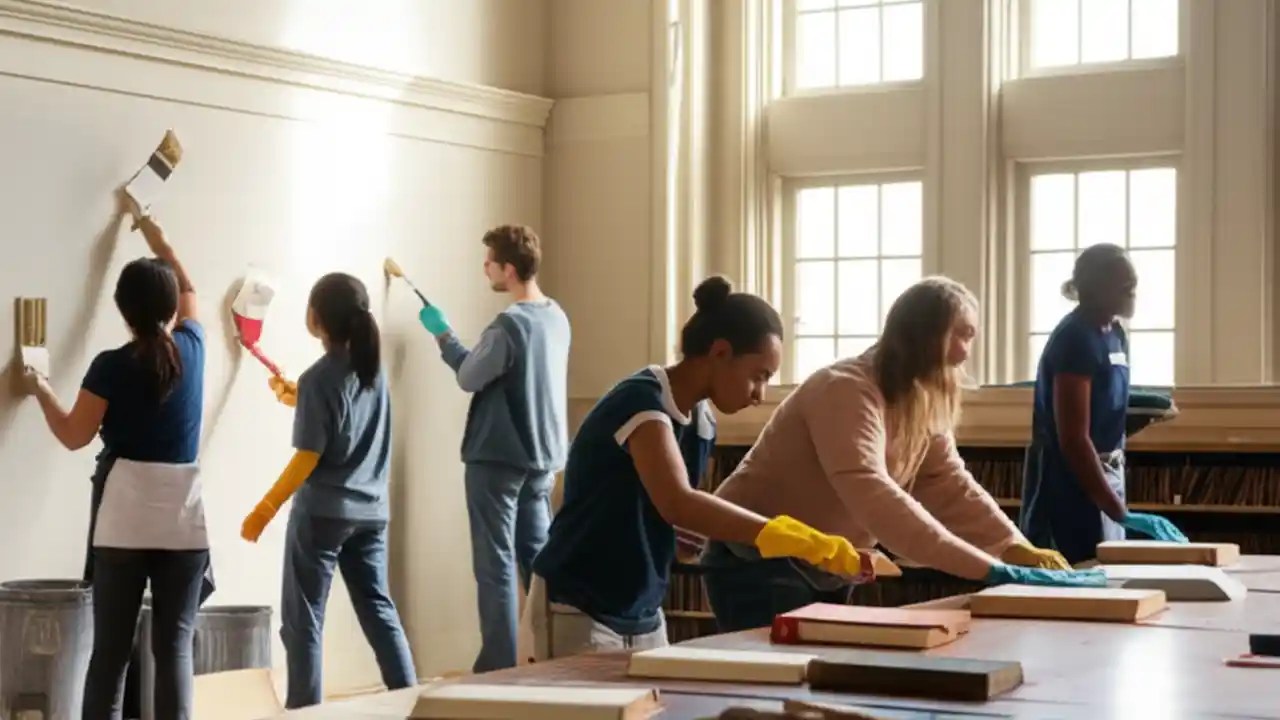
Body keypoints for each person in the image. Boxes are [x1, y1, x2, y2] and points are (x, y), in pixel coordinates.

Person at [703, 276, 1107, 632]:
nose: (965, 354)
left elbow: (949, 483)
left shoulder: (920, 398)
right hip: (756, 558)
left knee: (811, 676)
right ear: (925, 333)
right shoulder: (845, 389)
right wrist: (989, 569)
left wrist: (1013, 546)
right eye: (962, 334)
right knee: (780, 678)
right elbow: (873, 495)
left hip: (828, 562)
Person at [528, 276, 875, 659]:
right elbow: (678, 503)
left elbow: (675, 523)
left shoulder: (701, 422)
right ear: (720, 352)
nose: (760, 394)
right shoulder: (641, 403)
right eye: (758, 376)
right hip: (578, 606)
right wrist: (799, 540)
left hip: (642, 611)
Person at [23, 194, 208, 720]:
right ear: (170, 309)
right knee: (174, 649)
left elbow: (73, 435)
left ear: (123, 311)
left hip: (124, 523)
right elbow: (189, 287)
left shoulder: (111, 365)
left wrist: (40, 388)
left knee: (110, 655)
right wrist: (151, 227)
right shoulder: (193, 348)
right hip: (183, 524)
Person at [240, 273, 416, 708]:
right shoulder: (372, 370)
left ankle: (305, 712)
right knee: (378, 609)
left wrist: (265, 508)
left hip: (323, 515)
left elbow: (308, 456)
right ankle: (412, 701)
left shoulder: (320, 378)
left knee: (303, 620)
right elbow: (346, 421)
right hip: (371, 513)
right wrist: (297, 397)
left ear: (317, 318)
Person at [416, 225, 571, 672]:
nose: (484, 268)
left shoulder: (509, 325)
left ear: (508, 270)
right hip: (542, 458)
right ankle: (555, 657)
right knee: (539, 563)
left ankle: (497, 669)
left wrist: (443, 335)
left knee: (495, 565)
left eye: (489, 262)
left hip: (498, 459)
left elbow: (469, 376)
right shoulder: (557, 317)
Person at [1020, 244, 1187, 565]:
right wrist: (1116, 510)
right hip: (1071, 481)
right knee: (1083, 568)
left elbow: (1104, 399)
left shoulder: (1115, 334)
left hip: (1110, 469)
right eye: (1124, 285)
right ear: (1095, 287)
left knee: (1111, 566)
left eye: (1133, 283)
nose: (1132, 289)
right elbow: (1073, 438)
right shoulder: (1075, 338)